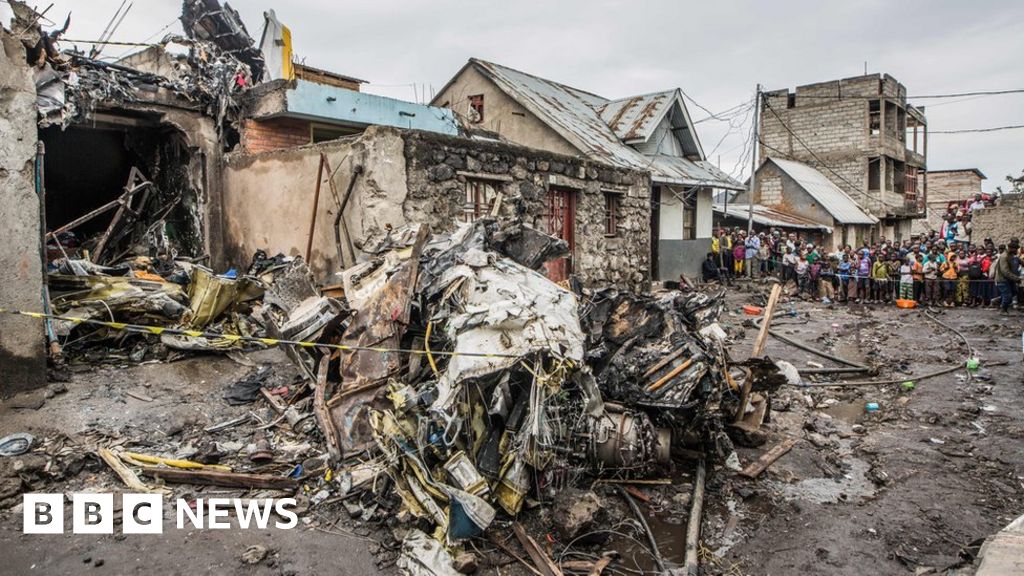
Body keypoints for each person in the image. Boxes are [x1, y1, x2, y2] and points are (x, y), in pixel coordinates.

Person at [994, 239, 1021, 314]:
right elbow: (1005, 271)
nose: (1017, 251)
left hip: (1009, 279)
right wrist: (1016, 278)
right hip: (1002, 279)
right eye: (1016, 249)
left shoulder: (1011, 256)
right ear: (1011, 249)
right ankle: (1003, 310)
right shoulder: (1004, 256)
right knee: (1008, 296)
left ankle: (998, 299)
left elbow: (1019, 262)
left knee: (1014, 292)